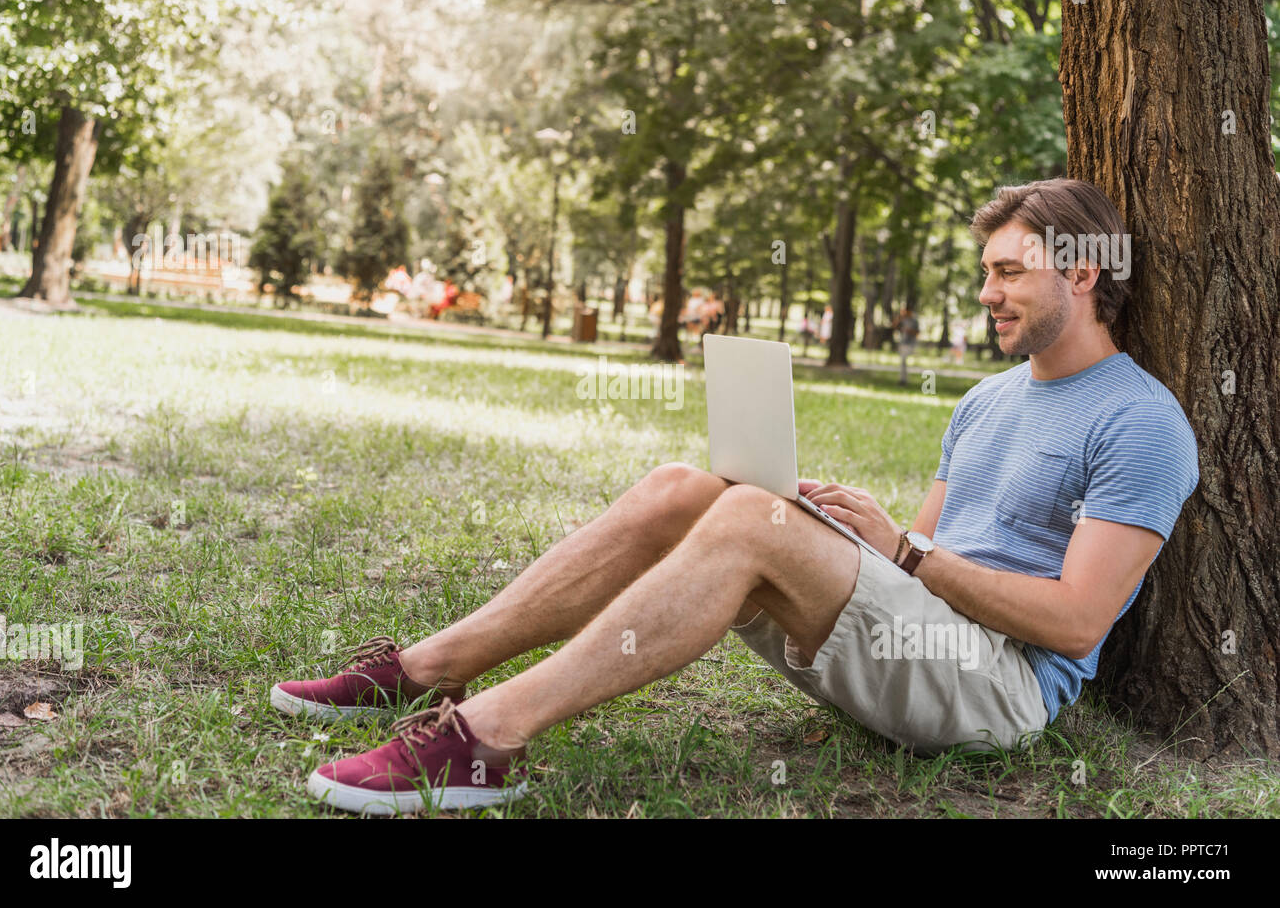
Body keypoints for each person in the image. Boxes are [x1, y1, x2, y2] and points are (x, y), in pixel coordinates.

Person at [271, 177, 1199, 814]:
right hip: (923, 642)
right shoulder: (988, 399)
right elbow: (919, 565)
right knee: (692, 487)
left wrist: (905, 553)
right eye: (986, 269)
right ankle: (428, 668)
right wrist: (860, 534)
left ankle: (486, 737)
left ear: (1080, 272)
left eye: (1009, 271)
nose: (986, 291)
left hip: (999, 691)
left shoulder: (1141, 422)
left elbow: (1077, 623)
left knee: (752, 519)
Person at [894, 306, 919, 384]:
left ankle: (904, 379)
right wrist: (898, 318)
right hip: (903, 343)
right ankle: (903, 379)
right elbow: (894, 326)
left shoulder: (914, 321)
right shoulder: (902, 320)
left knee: (904, 361)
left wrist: (909, 331)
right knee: (903, 362)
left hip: (910, 343)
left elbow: (917, 332)